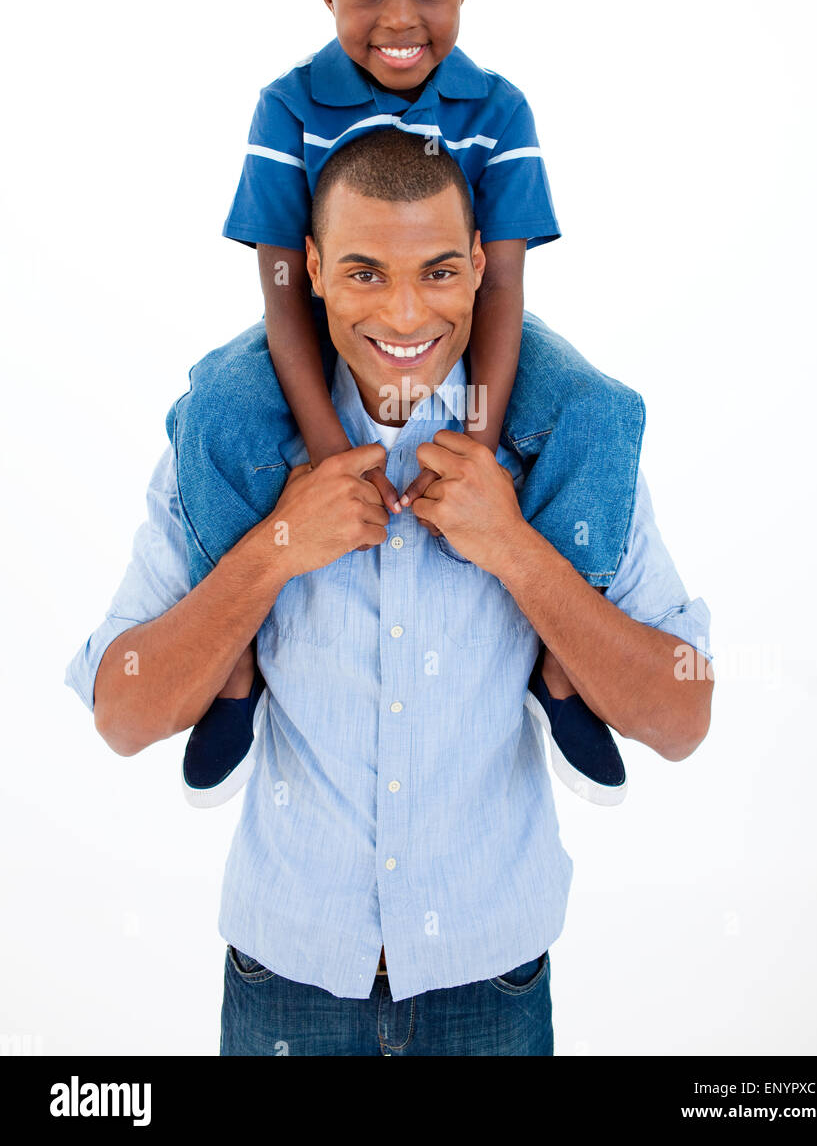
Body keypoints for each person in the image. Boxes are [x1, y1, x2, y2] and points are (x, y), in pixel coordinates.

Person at [65, 130, 714, 1057]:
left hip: (493, 983)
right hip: (283, 982)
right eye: (366, 273)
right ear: (316, 270)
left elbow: (684, 714)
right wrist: (277, 546)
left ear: (484, 269)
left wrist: (517, 552)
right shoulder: (238, 445)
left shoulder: (558, 446)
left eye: (441, 272)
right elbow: (122, 712)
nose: (407, 313)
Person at [181, 0, 639, 806]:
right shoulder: (288, 107)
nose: (399, 19)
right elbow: (277, 282)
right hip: (321, 326)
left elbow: (503, 283)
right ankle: (236, 657)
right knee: (211, 408)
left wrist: (475, 436)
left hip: (462, 323)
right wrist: (326, 448)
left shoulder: (497, 108)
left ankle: (561, 654)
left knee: (596, 407)